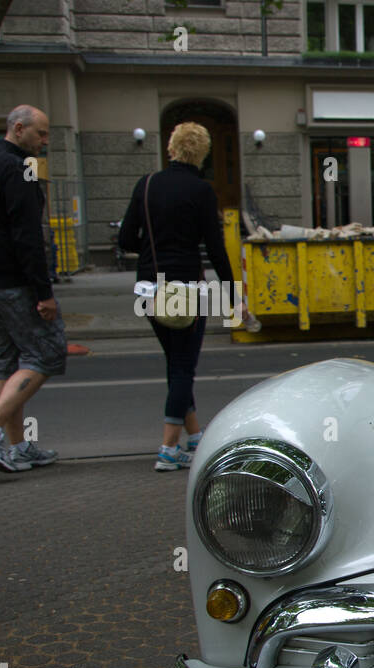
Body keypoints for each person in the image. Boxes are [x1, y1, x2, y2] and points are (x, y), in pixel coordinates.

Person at [119, 122, 236, 471]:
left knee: (175, 364)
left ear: (171, 148)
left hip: (148, 290)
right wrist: (231, 293)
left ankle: (196, 437)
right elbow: (216, 249)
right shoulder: (201, 191)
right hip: (186, 291)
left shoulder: (147, 184)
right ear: (201, 154)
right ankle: (168, 450)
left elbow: (125, 240)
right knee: (184, 366)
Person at [0, 105, 62, 474]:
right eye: (41, 134)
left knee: (6, 361)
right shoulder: (22, 169)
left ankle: (16, 448)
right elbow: (28, 236)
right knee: (45, 353)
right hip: (13, 280)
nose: (45, 141)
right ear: (18, 128)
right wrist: (43, 292)